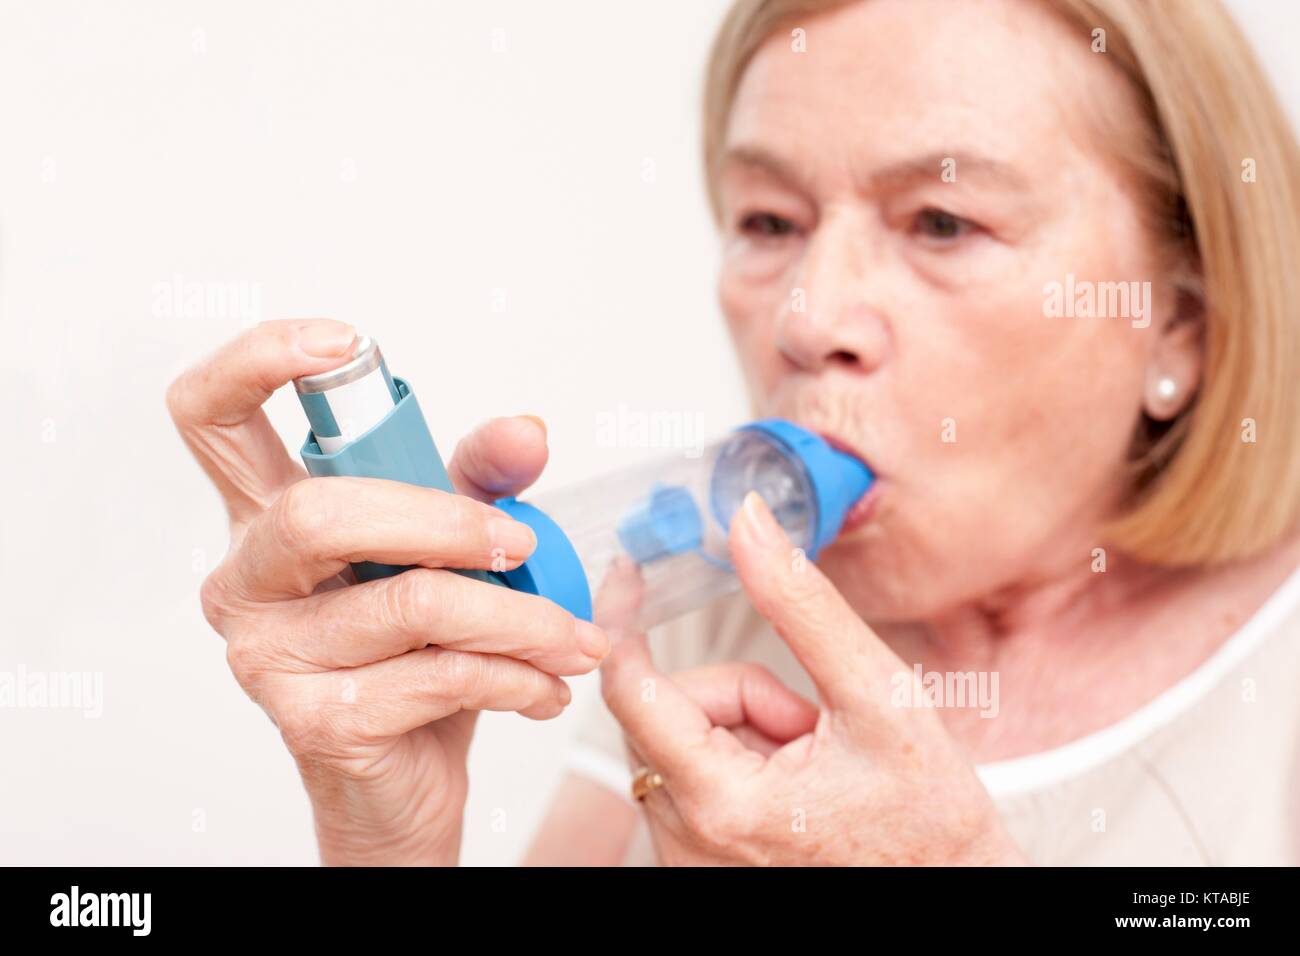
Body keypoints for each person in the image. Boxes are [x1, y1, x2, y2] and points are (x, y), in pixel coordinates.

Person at [169, 0, 1300, 866]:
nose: (806, 318)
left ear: (1178, 330)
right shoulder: (696, 610)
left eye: (943, 221)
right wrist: (391, 835)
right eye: (768, 219)